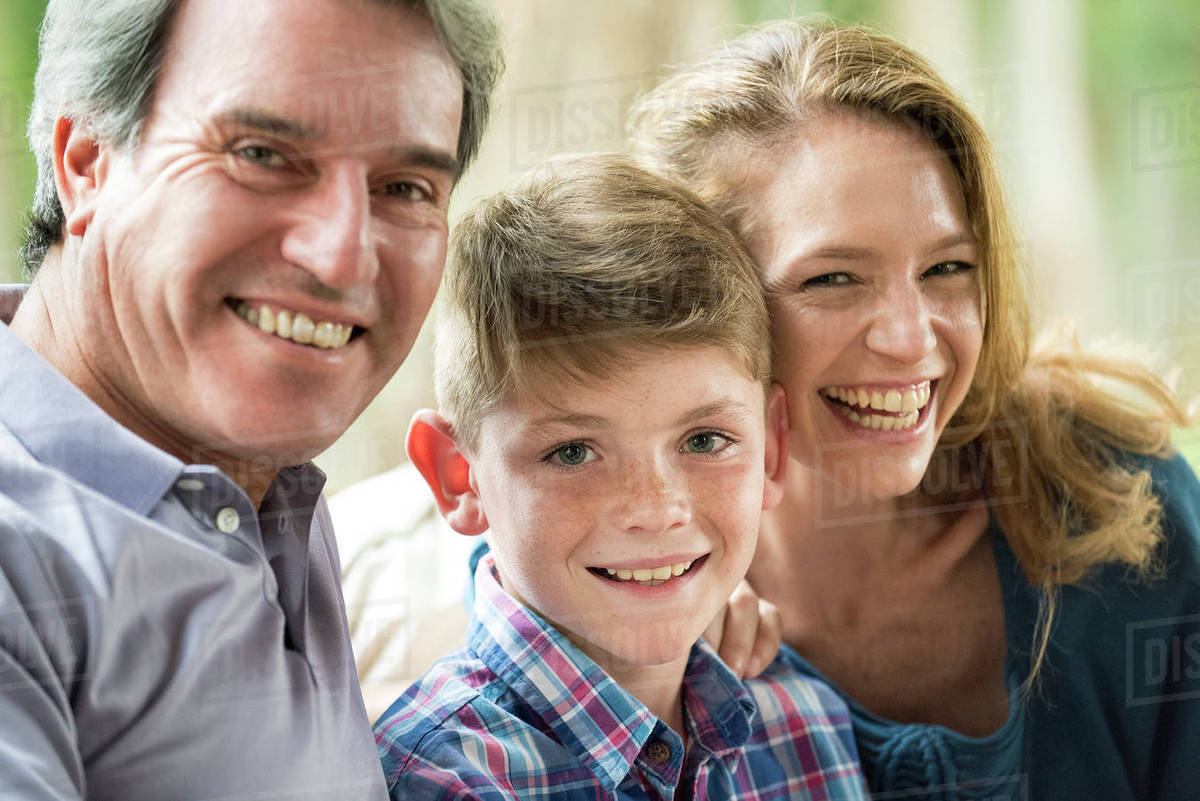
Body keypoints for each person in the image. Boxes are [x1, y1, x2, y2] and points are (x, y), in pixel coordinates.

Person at [628, 19, 1200, 801]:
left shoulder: (1125, 512)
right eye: (832, 278)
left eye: (947, 267)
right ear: (694, 299)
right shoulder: (618, 568)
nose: (909, 338)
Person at [0, 0, 501, 797]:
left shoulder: (240, 465)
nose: (341, 256)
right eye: (263, 154)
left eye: (403, 186)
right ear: (86, 162)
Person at [373, 154, 868, 799]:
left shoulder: (805, 724)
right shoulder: (447, 776)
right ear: (459, 477)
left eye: (706, 440)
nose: (656, 510)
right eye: (574, 452)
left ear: (771, 450)